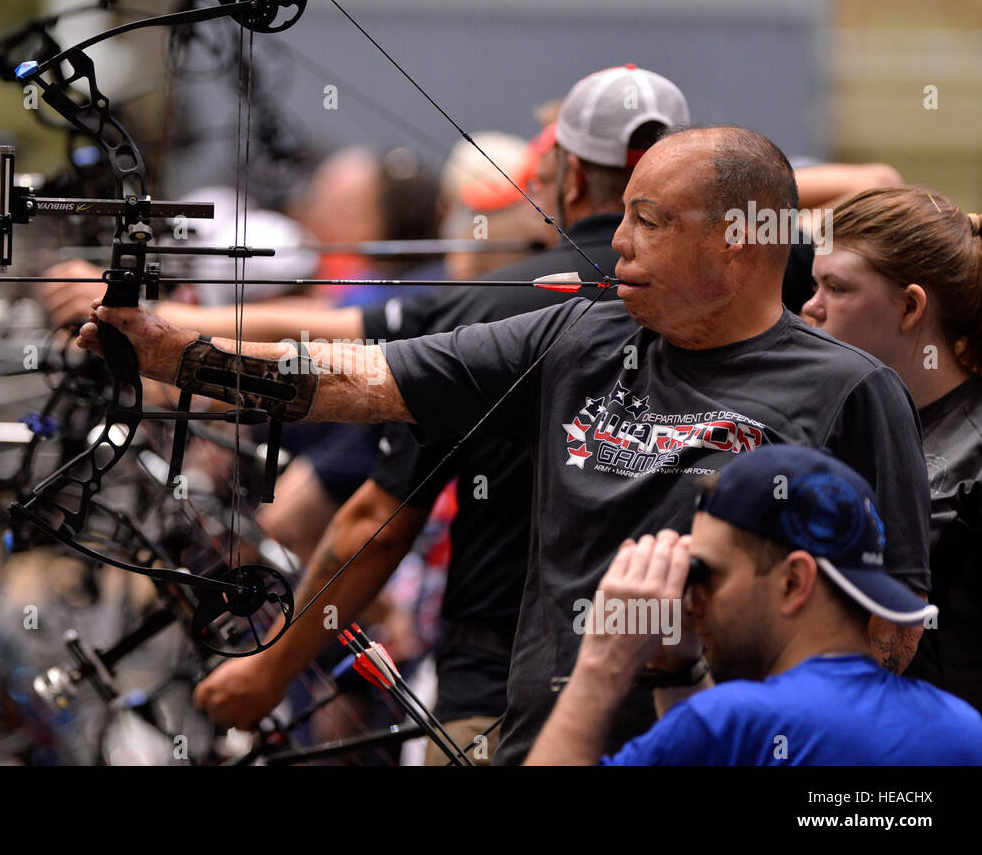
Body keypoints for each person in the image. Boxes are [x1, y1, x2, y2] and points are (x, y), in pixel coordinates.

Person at [78, 122, 933, 765]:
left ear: (741, 241)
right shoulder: (574, 337)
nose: (620, 242)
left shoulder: (849, 391)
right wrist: (171, 354)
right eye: (623, 213)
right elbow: (354, 375)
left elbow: (896, 625)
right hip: (543, 740)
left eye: (651, 220)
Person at [193, 65, 686, 763]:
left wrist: (268, 671)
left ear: (568, 179)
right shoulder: (756, 283)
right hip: (689, 701)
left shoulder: (481, 307)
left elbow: (374, 522)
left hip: (500, 704)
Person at [525, 445, 982, 765]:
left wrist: (601, 667)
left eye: (705, 573)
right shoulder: (961, 730)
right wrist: (678, 670)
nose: (692, 600)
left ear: (792, 582)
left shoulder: (730, 724)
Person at [802, 188, 982, 709]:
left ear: (910, 307)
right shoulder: (828, 415)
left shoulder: (973, 455)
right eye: (814, 284)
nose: (809, 307)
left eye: (835, 288)